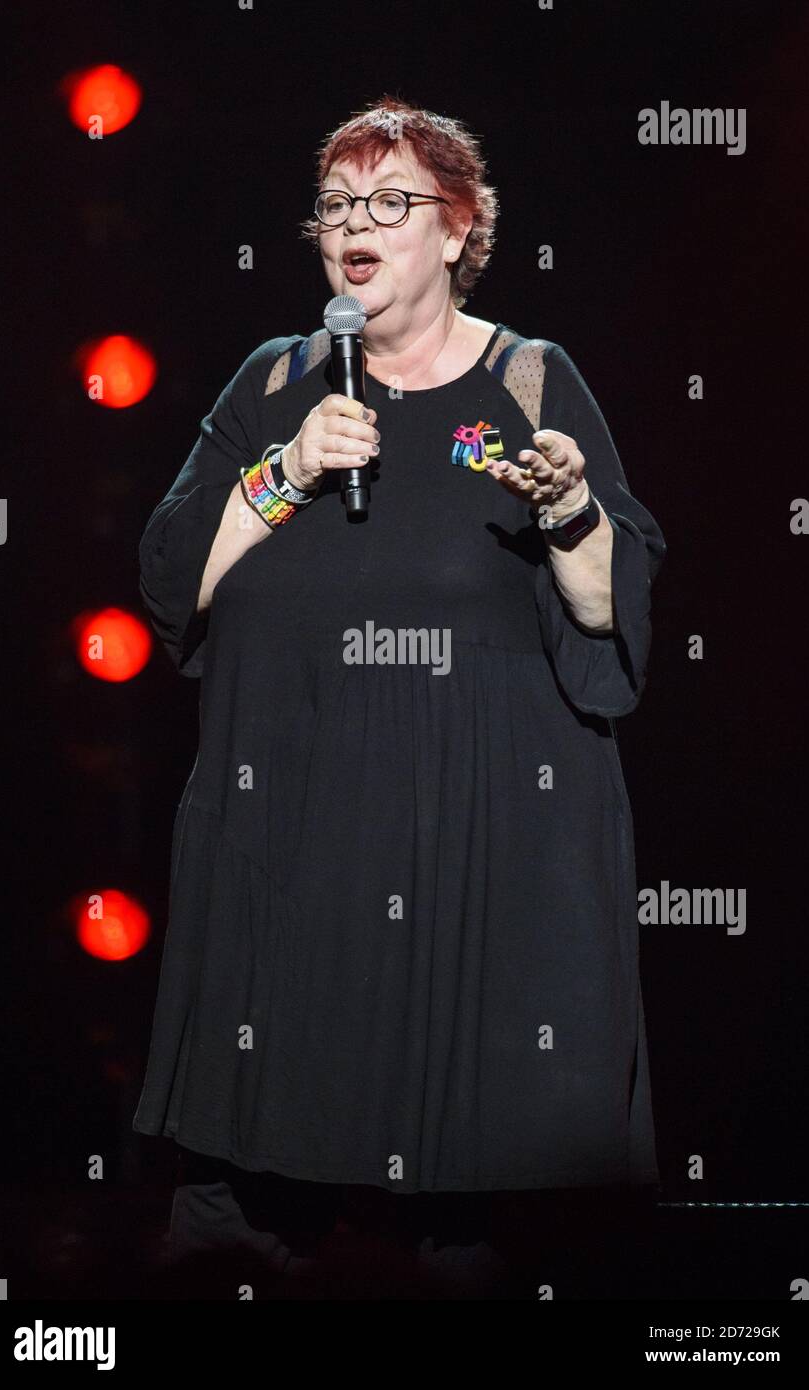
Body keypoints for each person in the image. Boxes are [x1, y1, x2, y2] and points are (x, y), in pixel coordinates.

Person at [132, 95, 667, 1296]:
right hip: (293, 841)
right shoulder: (275, 382)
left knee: (463, 1242)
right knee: (236, 1216)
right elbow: (176, 584)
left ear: (457, 227)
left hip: (469, 850)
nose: (352, 228)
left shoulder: (528, 379)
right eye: (333, 207)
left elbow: (606, 607)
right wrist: (285, 473)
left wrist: (569, 508)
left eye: (388, 203)